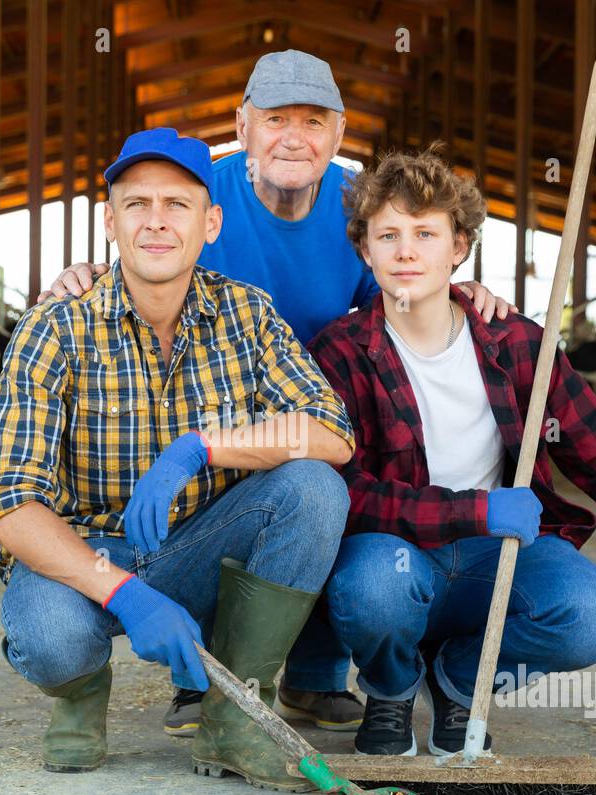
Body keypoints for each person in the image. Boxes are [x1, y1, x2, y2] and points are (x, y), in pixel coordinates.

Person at [41, 50, 516, 737]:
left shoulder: (362, 203)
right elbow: (149, 255)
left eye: (313, 121)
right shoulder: (206, 190)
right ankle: (201, 678)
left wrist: (457, 292)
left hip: (317, 391)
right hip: (211, 394)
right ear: (242, 125)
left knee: (325, 490)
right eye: (275, 120)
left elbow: (401, 281)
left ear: (339, 131)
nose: (294, 136)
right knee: (215, 510)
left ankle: (313, 678)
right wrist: (89, 272)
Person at [307, 147, 596, 758]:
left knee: (592, 616)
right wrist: (475, 510)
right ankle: (390, 689)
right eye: (387, 234)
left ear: (460, 246)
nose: (406, 251)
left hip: (497, 555)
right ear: (364, 250)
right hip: (396, 553)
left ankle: (459, 681)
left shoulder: (519, 344)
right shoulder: (340, 351)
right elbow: (345, 491)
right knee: (371, 588)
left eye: (426, 232)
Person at [0, 128, 355, 791]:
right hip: (87, 557)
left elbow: (331, 434)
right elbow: (12, 504)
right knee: (49, 636)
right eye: (137, 203)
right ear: (110, 222)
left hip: (203, 548)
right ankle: (80, 691)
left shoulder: (249, 314)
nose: (156, 221)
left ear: (211, 223)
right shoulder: (54, 330)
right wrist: (126, 593)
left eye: (177, 205)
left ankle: (235, 716)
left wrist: (204, 448)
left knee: (313, 488)